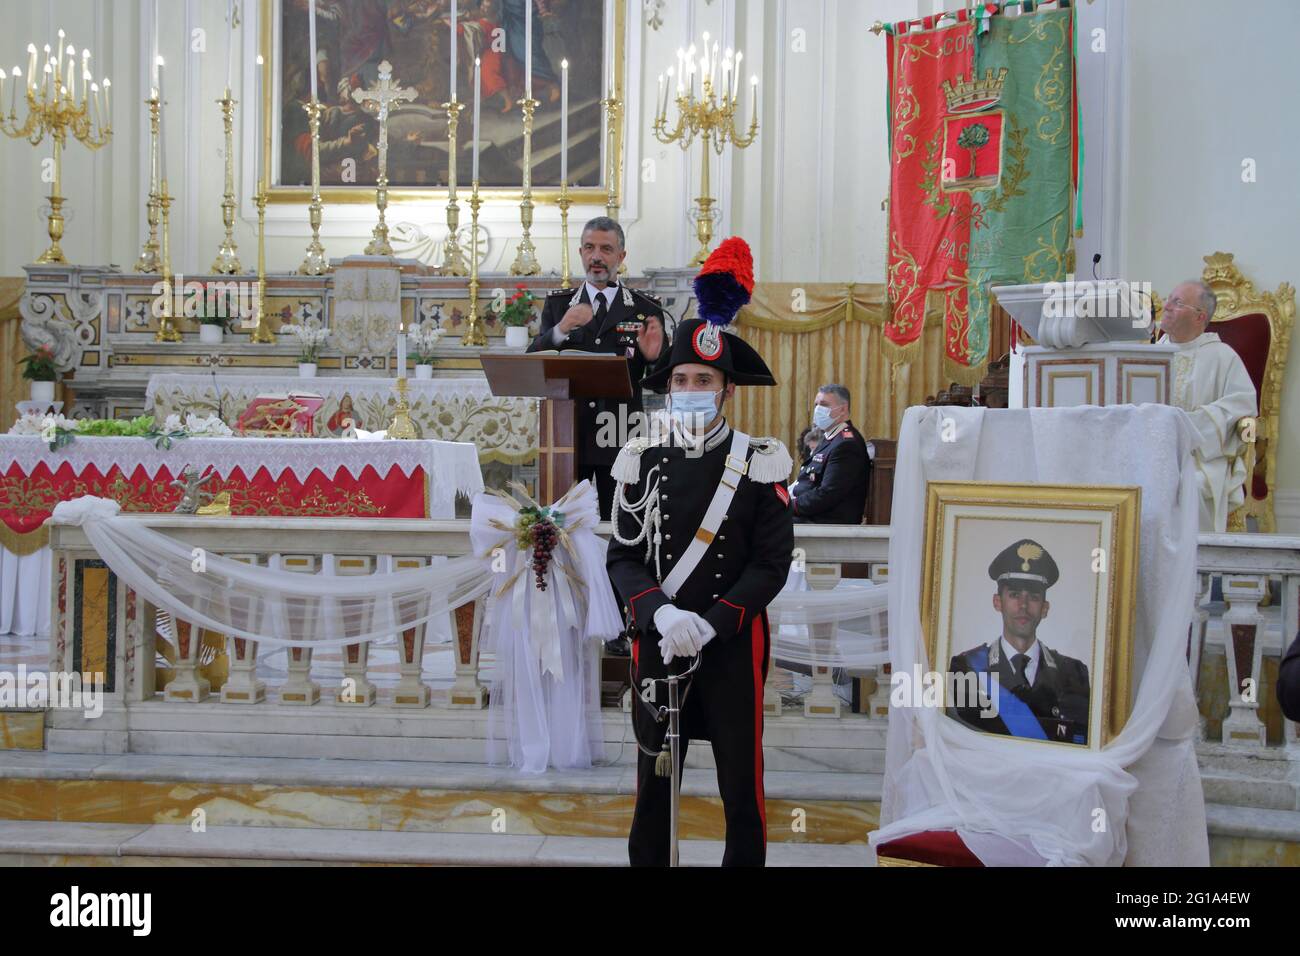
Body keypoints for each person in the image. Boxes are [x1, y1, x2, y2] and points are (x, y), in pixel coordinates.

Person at [606, 237, 794, 867]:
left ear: (725, 391)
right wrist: (660, 613)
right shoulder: (640, 459)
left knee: (741, 789)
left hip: (732, 645)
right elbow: (623, 558)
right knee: (654, 789)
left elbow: (770, 565)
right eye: (680, 379)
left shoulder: (760, 461)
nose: (690, 388)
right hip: (659, 643)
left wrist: (711, 625)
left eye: (703, 380)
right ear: (667, 387)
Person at [528, 216, 667, 519]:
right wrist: (561, 329)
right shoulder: (559, 306)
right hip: (568, 434)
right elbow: (534, 362)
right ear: (580, 253)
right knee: (562, 526)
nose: (596, 257)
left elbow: (664, 383)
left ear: (621, 257)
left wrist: (654, 357)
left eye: (606, 249)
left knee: (620, 524)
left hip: (620, 433)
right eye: (589, 248)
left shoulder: (645, 308)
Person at [947, 539, 1091, 745]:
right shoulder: (966, 668)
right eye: (1014, 595)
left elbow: (1081, 743)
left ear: (1045, 608)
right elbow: (960, 743)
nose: (1023, 606)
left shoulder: (1073, 673)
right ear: (998, 602)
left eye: (1033, 596)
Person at [1158, 279, 1257, 532]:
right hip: (1155, 453)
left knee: (1187, 485)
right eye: (1168, 299)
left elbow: (1243, 408)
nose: (1165, 306)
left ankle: (1195, 567)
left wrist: (1187, 424)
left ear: (1200, 317)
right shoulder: (1151, 355)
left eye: (1177, 302)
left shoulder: (1223, 356)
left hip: (1200, 458)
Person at [790, 384, 870, 524]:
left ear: (843, 409)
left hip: (826, 521)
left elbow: (828, 494)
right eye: (816, 405)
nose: (817, 410)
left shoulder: (846, 444)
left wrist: (789, 506)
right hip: (813, 515)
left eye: (824, 405)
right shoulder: (831, 438)